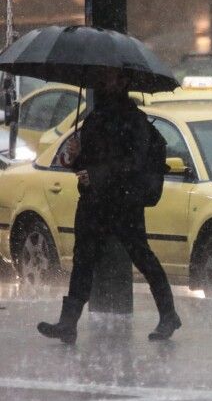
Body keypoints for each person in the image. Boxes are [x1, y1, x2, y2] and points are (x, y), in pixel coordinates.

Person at [37, 72, 181, 344]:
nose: (105, 84)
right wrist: (74, 156)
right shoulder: (94, 118)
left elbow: (135, 163)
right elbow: (85, 163)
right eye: (102, 79)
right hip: (94, 202)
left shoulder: (134, 120)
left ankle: (168, 313)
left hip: (124, 202)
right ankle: (68, 322)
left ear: (123, 83)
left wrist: (98, 173)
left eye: (111, 79)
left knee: (141, 256)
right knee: (83, 259)